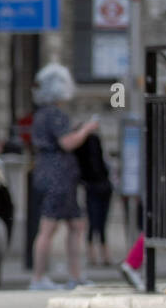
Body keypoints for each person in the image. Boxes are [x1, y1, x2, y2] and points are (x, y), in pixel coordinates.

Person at [28, 63, 98, 291]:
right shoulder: (55, 114)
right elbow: (67, 143)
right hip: (58, 175)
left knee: (76, 224)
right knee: (48, 228)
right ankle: (39, 278)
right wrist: (86, 129)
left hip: (51, 172)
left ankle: (75, 275)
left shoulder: (40, 114)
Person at [75, 127, 114, 267]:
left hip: (96, 186)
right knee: (97, 222)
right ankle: (99, 254)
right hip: (99, 186)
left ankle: (97, 254)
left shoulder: (86, 145)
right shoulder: (89, 144)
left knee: (96, 221)